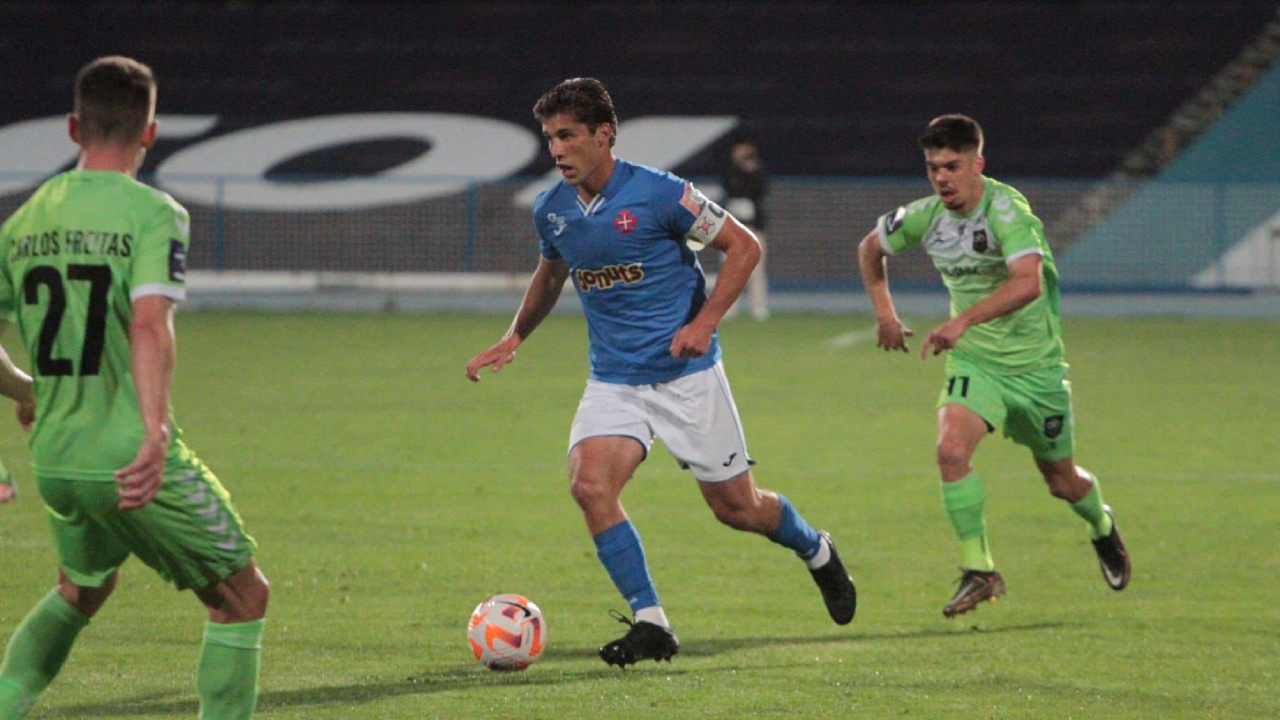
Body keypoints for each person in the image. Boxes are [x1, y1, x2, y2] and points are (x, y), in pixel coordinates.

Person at [466, 78, 856, 667]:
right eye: (549, 138)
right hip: (614, 379)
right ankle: (651, 622)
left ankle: (816, 549)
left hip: (685, 376)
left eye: (568, 136)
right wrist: (515, 334)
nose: (557, 150)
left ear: (604, 134)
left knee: (738, 509)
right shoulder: (553, 210)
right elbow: (551, 274)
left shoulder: (661, 194)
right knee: (590, 487)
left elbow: (744, 247)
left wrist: (705, 323)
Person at [0, 57, 268, 719]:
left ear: (73, 128)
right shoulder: (153, 213)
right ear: (150, 132)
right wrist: (153, 430)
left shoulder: (23, 223)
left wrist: (26, 389)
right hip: (127, 455)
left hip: (56, 457)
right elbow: (149, 323)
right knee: (242, 597)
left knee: (81, 587)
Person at [857, 114, 1131, 619]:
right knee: (949, 451)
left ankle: (1102, 526)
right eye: (933, 167)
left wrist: (963, 319)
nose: (942, 177)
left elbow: (1027, 282)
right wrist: (885, 314)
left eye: (952, 166)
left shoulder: (1008, 211)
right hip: (977, 364)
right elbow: (870, 249)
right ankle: (980, 570)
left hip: (1036, 370)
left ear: (977, 165)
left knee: (1062, 482)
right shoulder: (925, 216)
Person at [722, 141, 770, 321]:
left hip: (753, 228)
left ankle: (758, 307)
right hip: (733, 229)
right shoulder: (731, 173)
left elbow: (761, 190)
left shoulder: (758, 173)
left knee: (756, 269)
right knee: (730, 268)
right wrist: (740, 170)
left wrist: (752, 171)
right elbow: (731, 188)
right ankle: (728, 308)